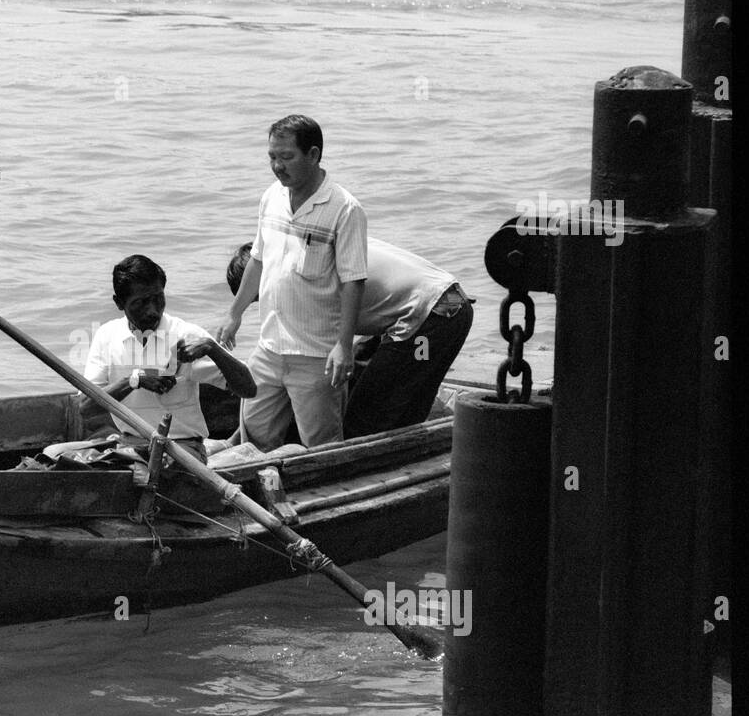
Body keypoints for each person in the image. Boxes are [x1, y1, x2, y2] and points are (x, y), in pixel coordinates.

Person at [216, 114, 368, 450]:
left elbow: (353, 282)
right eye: (272, 157)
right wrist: (234, 313)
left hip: (315, 354)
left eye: (286, 157)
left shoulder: (344, 209)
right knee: (252, 439)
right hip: (269, 347)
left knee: (322, 446)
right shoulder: (271, 197)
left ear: (313, 155)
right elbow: (257, 259)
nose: (277, 166)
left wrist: (343, 346)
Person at [226, 239, 473, 438]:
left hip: (435, 317)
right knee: (369, 379)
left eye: (259, 297)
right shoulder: (308, 248)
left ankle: (390, 455)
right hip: (433, 304)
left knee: (368, 414)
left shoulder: (305, 281)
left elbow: (312, 362)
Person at [80, 254, 256, 463]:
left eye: (157, 298)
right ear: (119, 303)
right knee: (56, 457)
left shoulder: (185, 335)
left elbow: (248, 389)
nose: (153, 310)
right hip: (131, 446)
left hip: (181, 449)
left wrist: (212, 349)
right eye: (141, 302)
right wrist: (133, 381)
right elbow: (85, 408)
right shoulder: (106, 336)